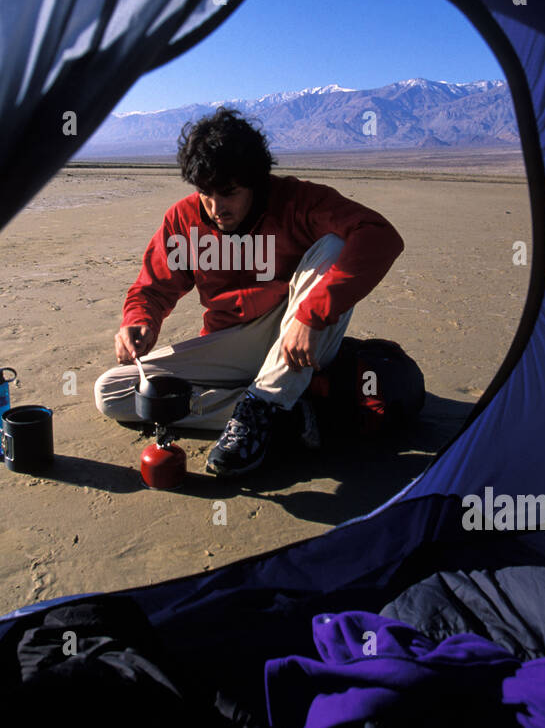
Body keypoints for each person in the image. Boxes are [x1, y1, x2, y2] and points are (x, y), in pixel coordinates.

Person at [93, 107, 404, 476]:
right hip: (230, 345)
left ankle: (264, 403)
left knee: (336, 244)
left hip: (296, 332)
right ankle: (283, 412)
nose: (216, 208)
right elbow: (153, 287)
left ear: (256, 181)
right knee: (113, 392)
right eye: (205, 193)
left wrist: (312, 314)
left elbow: (379, 234)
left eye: (228, 193)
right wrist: (139, 320)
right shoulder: (184, 218)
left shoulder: (297, 201)